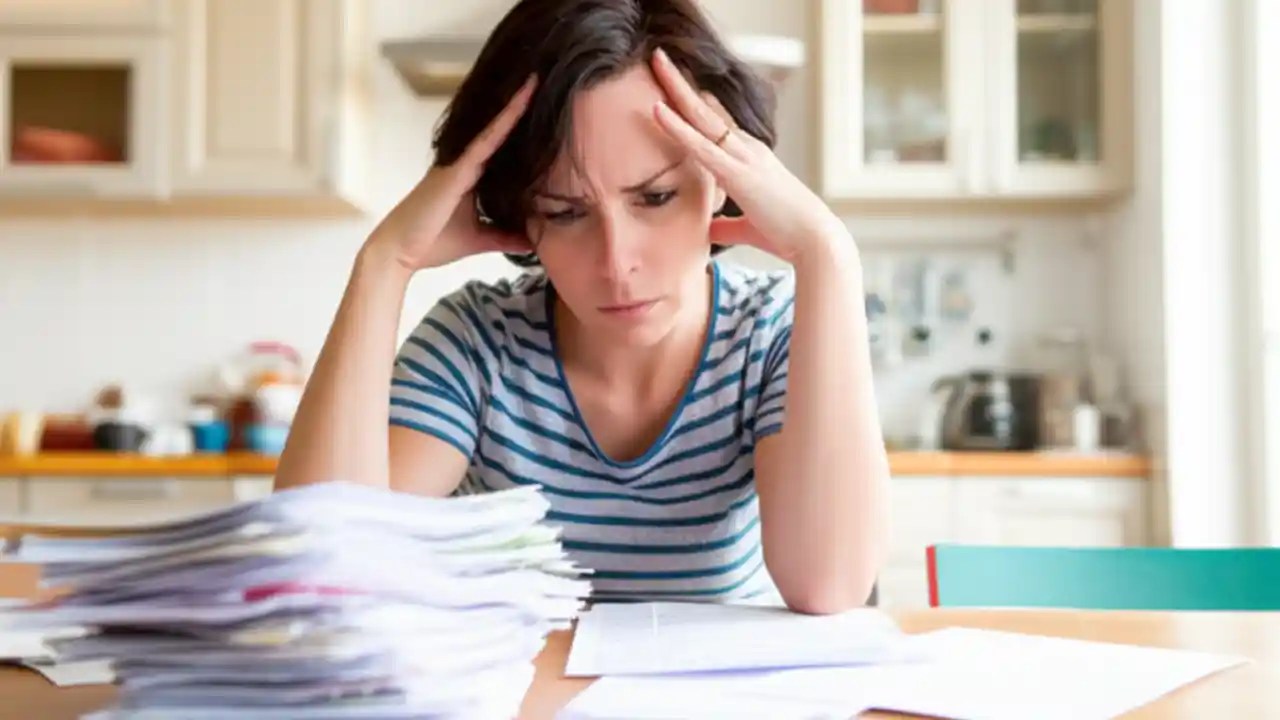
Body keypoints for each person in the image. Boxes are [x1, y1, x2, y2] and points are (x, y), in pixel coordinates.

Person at [275, 0, 889, 615]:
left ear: (723, 177)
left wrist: (827, 254)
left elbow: (828, 587)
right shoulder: (477, 343)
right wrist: (384, 264)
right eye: (565, 212)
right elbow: (327, 569)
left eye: (655, 197)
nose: (616, 262)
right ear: (520, 215)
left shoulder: (770, 334)